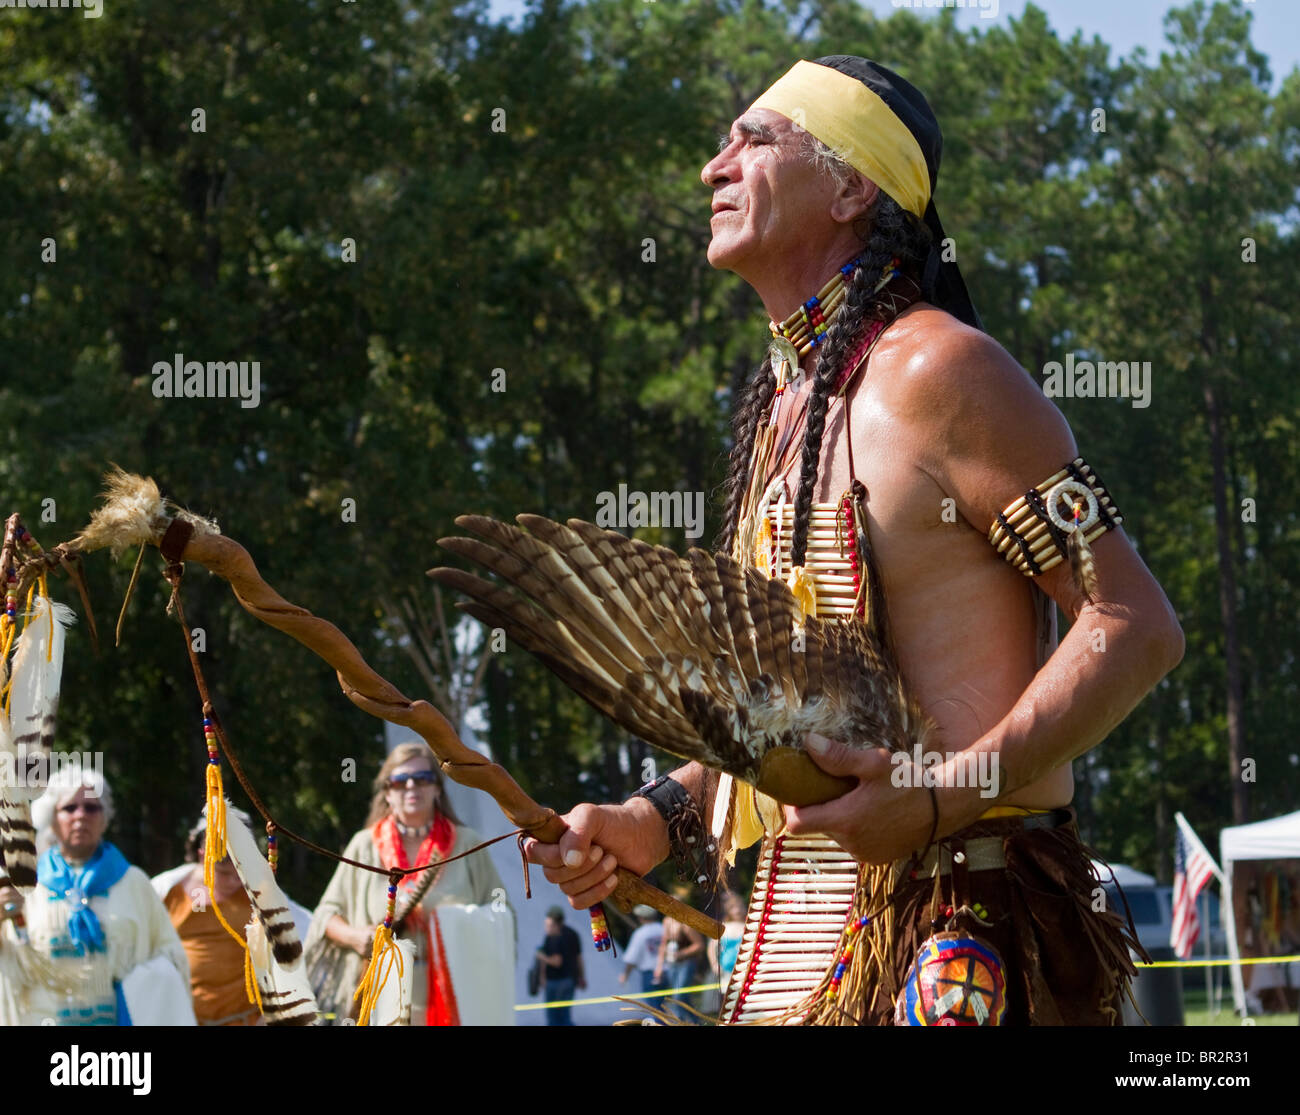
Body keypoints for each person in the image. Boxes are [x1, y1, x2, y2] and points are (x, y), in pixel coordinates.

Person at [525, 56, 1184, 1025]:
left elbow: (1133, 623)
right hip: (814, 940)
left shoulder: (941, 372)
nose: (713, 167)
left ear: (848, 186)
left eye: (752, 139)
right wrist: (649, 819)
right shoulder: (784, 411)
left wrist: (934, 797)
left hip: (962, 941)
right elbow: (797, 708)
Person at [304, 741, 514, 1025]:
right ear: (387, 792)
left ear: (437, 789)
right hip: (380, 1000)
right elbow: (326, 915)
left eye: (423, 778)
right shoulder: (364, 845)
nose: (412, 786)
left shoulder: (468, 844)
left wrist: (449, 924)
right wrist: (356, 937)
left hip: (457, 1000)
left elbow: (503, 912)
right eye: (400, 781)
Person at [0, 769, 195, 1026]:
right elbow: (11, 960)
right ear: (52, 817)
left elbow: (170, 956)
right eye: (70, 808)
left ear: (105, 817)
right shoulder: (25, 883)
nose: (81, 815)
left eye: (91, 808)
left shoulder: (133, 881)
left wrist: (140, 985)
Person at [151, 809, 313, 1026]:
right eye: (224, 873)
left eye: (240, 871)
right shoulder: (166, 892)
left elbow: (308, 929)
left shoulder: (260, 893)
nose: (234, 881)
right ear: (202, 854)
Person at [654, 903, 706, 1021]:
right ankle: (697, 1021)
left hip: (686, 963)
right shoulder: (667, 921)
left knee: (678, 996)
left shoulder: (686, 924)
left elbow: (699, 945)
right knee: (683, 998)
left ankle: (679, 1021)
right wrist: (659, 966)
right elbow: (663, 944)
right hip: (672, 963)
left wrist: (681, 954)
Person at [536, 905, 585, 1026]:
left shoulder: (552, 937)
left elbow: (556, 961)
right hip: (570, 979)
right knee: (565, 1015)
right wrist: (581, 977)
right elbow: (579, 958)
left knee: (554, 1018)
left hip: (555, 981)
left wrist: (542, 959)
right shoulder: (573, 934)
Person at [618, 905, 665, 994]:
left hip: (650, 974)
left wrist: (625, 975)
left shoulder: (640, 933)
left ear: (641, 917)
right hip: (668, 972)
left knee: (652, 1006)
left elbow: (631, 958)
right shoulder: (663, 929)